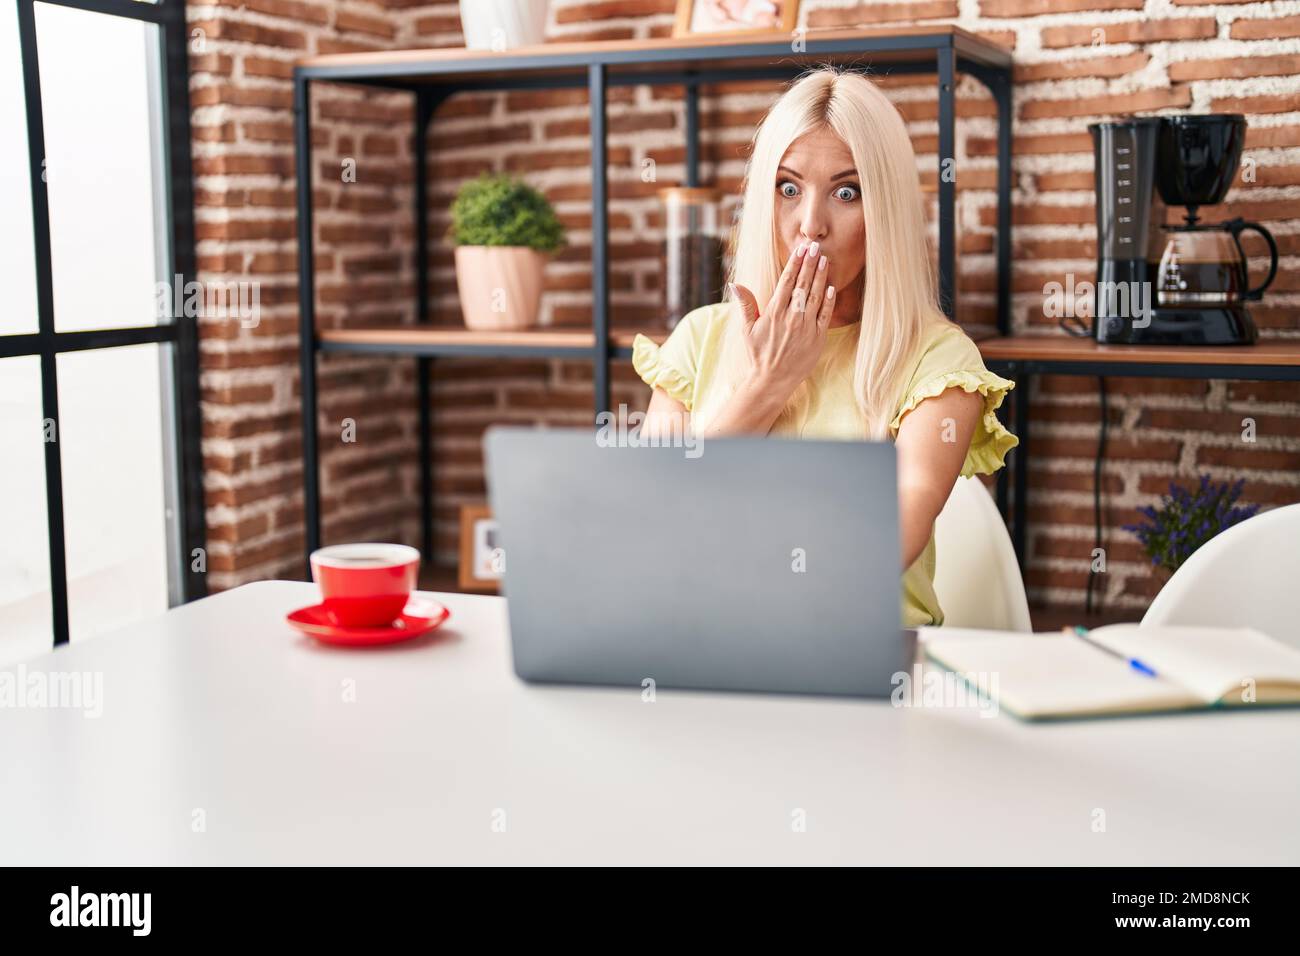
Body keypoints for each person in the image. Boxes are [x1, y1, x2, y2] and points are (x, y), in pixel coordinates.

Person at [632, 67, 1019, 628]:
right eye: (788, 188)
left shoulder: (939, 362)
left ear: (883, 211)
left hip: (866, 660)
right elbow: (646, 524)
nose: (809, 225)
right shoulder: (698, 339)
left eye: (846, 191)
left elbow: (895, 535)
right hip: (708, 643)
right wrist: (766, 385)